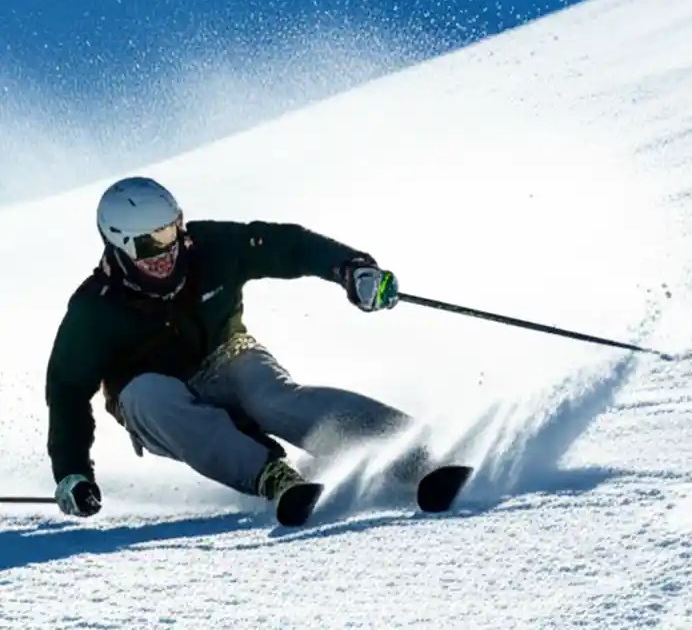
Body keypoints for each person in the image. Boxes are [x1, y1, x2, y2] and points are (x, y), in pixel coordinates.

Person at [48, 176, 419, 519]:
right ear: (119, 245)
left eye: (170, 231)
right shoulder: (95, 309)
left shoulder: (210, 247)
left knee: (271, 399)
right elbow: (67, 392)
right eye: (150, 244)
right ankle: (272, 476)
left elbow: (288, 246)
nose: (166, 251)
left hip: (227, 355)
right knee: (151, 395)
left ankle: (405, 447)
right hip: (157, 404)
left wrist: (350, 269)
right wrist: (72, 473)